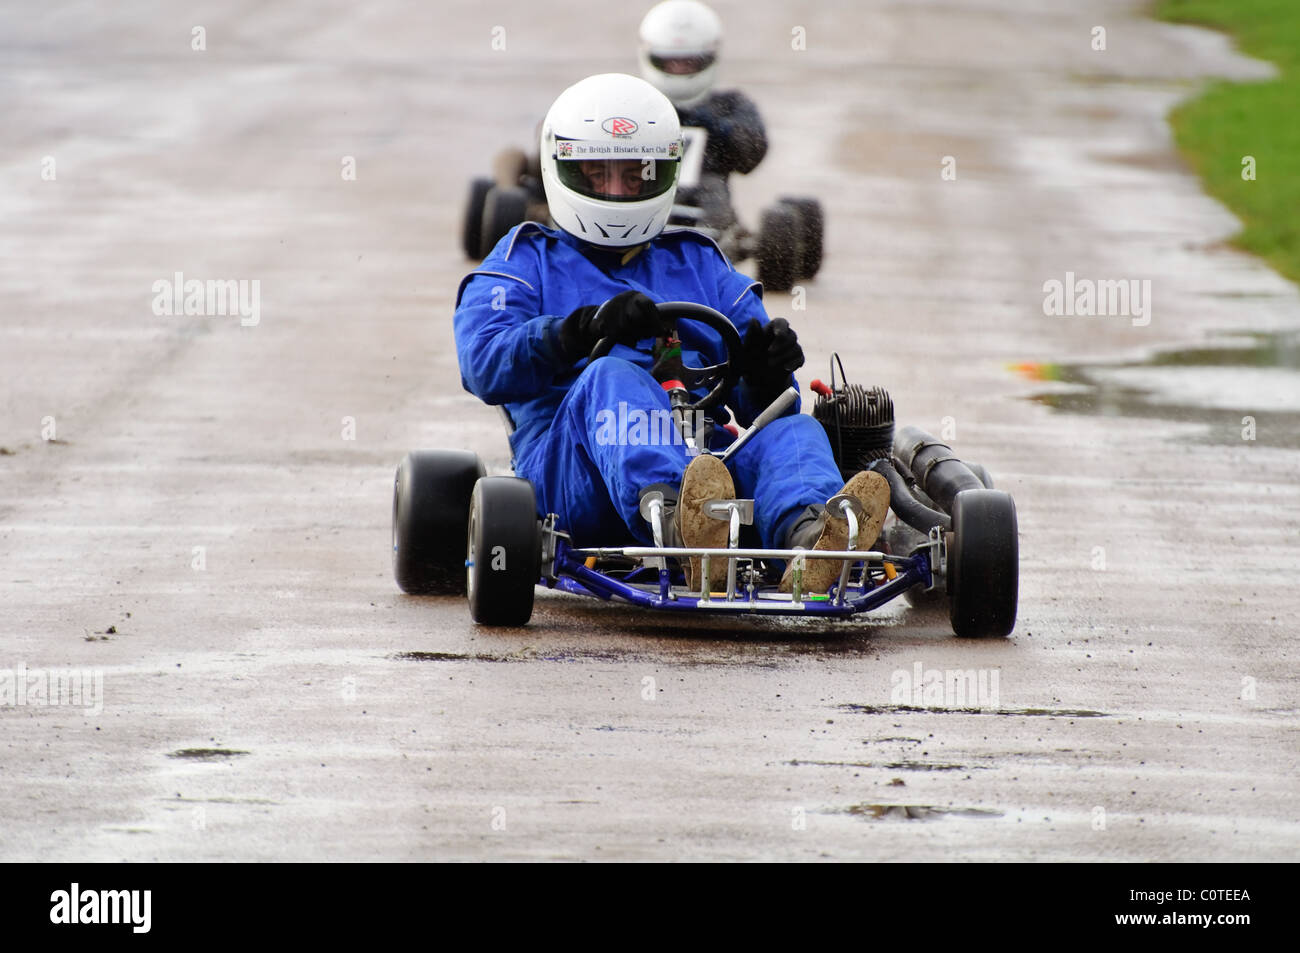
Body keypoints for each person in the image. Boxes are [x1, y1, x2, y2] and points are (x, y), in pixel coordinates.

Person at [453, 73, 887, 593]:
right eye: (597, 174)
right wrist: (576, 332)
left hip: (709, 458)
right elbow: (482, 364)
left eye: (635, 176)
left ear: (665, 174)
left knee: (792, 431)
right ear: (563, 168)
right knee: (611, 375)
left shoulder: (697, 262)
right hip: (573, 473)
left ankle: (808, 540)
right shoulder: (526, 259)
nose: (616, 190)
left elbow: (765, 407)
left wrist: (768, 370)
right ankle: (680, 523)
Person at [637, 0, 766, 230]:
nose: (679, 69)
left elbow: (750, 159)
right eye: (670, 63)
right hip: (640, 179)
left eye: (688, 62)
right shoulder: (631, 101)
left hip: (707, 191)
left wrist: (715, 127)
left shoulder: (729, 105)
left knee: (713, 196)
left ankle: (707, 249)